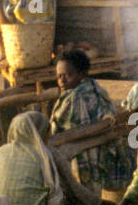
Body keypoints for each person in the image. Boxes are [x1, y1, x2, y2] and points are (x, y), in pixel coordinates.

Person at [0, 111, 101, 205]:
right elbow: (73, 190)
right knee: (63, 200)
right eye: (47, 132)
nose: (48, 136)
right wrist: (101, 204)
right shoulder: (47, 154)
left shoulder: (1, 152)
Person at [48, 49, 133, 192]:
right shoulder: (97, 90)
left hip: (84, 154)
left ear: (82, 74)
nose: (62, 80)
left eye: (68, 75)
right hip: (106, 155)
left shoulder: (73, 98)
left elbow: (54, 131)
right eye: (59, 76)